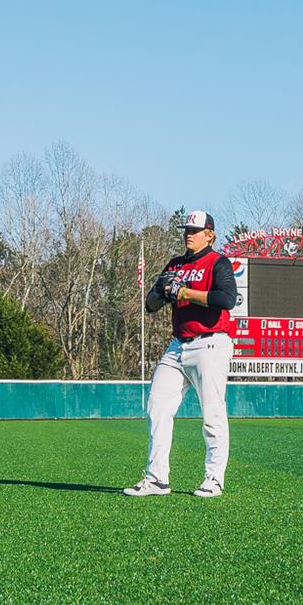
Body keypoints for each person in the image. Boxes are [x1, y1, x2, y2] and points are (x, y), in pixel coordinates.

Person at [125, 211, 237, 498]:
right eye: (187, 229)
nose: (189, 233)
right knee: (157, 407)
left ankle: (214, 479)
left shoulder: (217, 262)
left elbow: (226, 299)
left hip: (210, 343)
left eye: (195, 230)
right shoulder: (175, 264)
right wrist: (162, 291)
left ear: (210, 234)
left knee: (212, 413)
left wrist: (185, 292)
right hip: (178, 345)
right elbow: (150, 305)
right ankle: (157, 479)